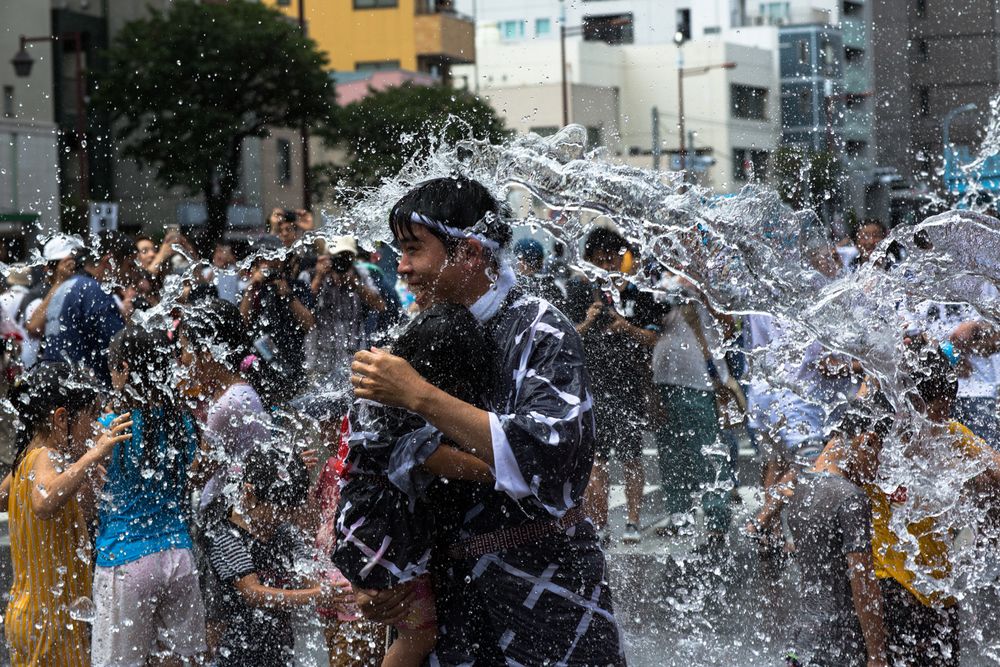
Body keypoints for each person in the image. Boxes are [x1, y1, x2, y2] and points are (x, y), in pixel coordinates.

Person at [349, 176, 624, 665]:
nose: (403, 268)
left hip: (548, 594)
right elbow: (377, 459)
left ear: (471, 253)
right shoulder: (413, 333)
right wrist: (377, 571)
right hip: (449, 602)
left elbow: (551, 458)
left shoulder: (540, 327)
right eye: (400, 251)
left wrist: (419, 395)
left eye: (414, 250)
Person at [334, 303, 496, 667]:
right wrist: (501, 466)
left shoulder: (382, 381)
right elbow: (435, 457)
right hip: (380, 529)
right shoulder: (401, 406)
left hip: (364, 520)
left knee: (403, 627)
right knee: (418, 633)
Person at [866, 341, 1000, 666]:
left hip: (938, 587)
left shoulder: (952, 435)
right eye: (934, 413)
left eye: (947, 412)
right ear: (910, 403)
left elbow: (995, 473)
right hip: (891, 583)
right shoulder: (878, 440)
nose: (938, 425)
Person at [92, 326, 207, 666]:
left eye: (113, 368)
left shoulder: (112, 427)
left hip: (125, 560)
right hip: (178, 555)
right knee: (182, 661)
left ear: (124, 369)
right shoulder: (181, 422)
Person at [4, 363, 132, 667]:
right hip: (50, 623)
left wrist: (78, 473)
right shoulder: (46, 456)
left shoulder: (27, 459)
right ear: (62, 418)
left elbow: (6, 498)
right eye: (92, 414)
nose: (97, 427)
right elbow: (44, 502)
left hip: (28, 614)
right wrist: (91, 455)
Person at [565, 226, 662, 545]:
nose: (607, 262)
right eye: (600, 257)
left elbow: (655, 338)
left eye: (613, 256)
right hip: (592, 385)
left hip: (630, 384)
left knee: (632, 457)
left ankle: (633, 522)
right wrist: (588, 321)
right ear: (589, 258)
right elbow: (564, 340)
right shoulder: (578, 292)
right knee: (598, 460)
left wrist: (628, 328)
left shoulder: (637, 292)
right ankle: (601, 523)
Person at [204, 448, 334, 667]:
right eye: (276, 509)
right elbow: (252, 592)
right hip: (235, 654)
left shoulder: (284, 533)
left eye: (289, 510)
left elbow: (307, 573)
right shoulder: (225, 535)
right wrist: (317, 594)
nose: (282, 518)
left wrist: (333, 590)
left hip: (280, 652)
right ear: (248, 494)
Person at [785, 401, 891, 667]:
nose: (877, 470)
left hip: (800, 638)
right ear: (867, 440)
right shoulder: (850, 499)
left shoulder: (803, 485)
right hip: (840, 643)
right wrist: (877, 656)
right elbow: (863, 584)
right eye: (880, 455)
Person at [652, 278, 735, 545]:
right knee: (671, 457)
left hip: (701, 382)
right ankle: (679, 518)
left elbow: (729, 327)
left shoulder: (713, 280)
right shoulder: (661, 283)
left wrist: (705, 293)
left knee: (708, 453)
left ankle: (716, 522)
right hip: (664, 379)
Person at [35, 233, 134, 388]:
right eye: (129, 266)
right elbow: (121, 347)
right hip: (89, 392)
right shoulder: (91, 290)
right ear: (109, 262)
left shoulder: (63, 288)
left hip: (61, 388)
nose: (131, 274)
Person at [239, 237, 315, 396]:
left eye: (274, 257)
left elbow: (309, 325)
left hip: (292, 371)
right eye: (263, 259)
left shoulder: (297, 287)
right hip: (258, 373)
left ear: (282, 260)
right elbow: (241, 324)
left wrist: (288, 296)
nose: (269, 262)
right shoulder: (251, 291)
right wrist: (252, 288)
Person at [306, 236, 386, 386]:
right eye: (337, 257)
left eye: (346, 257)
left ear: (353, 257)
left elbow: (380, 305)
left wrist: (355, 284)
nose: (341, 262)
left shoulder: (360, 274)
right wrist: (319, 277)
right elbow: (306, 312)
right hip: (320, 357)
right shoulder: (312, 274)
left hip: (354, 357)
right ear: (328, 257)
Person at [21, 234, 83, 369]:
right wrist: (60, 281)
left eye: (75, 262)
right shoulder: (37, 295)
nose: (72, 267)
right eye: (65, 262)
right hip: (48, 370)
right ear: (47, 269)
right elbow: (33, 328)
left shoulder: (79, 289)